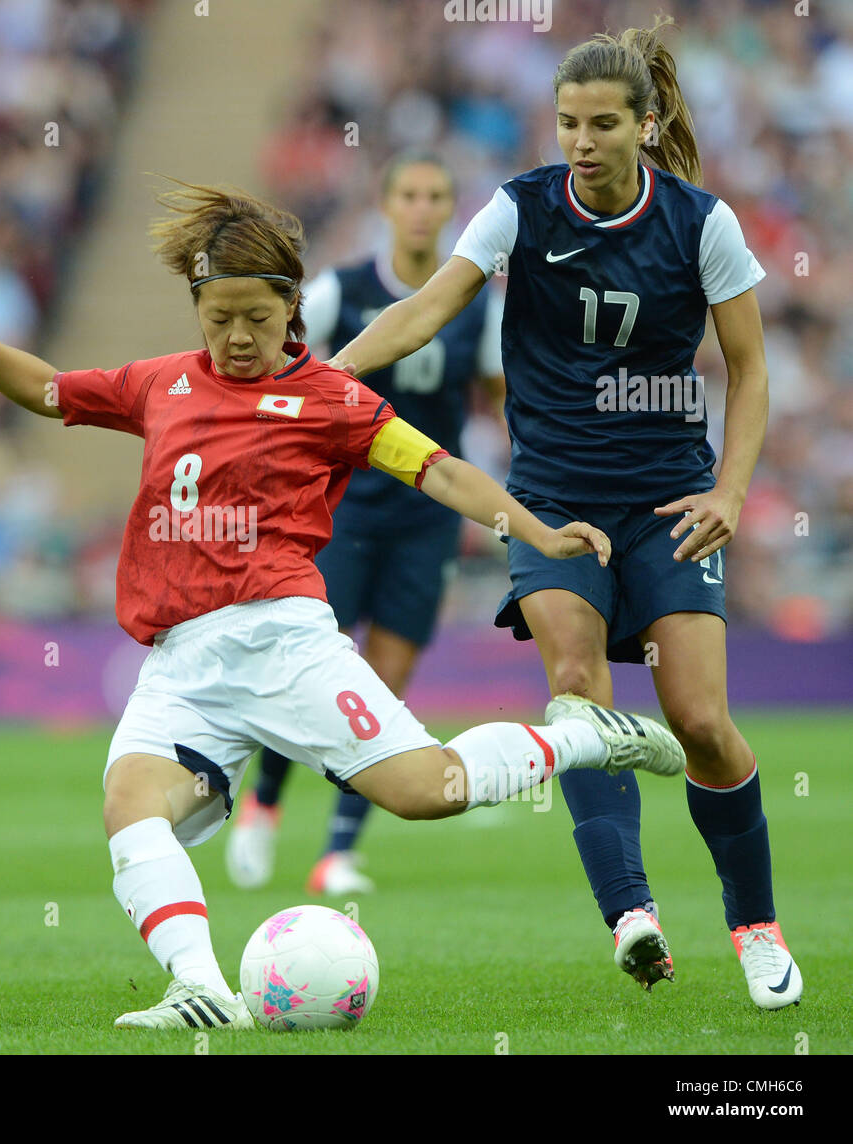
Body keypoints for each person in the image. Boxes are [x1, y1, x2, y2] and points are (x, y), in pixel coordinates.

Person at [0, 178, 685, 1029]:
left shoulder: (330, 399)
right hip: (182, 667)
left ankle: (581, 736)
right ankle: (202, 987)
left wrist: (537, 531)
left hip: (283, 644)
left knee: (429, 790)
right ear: (198, 305)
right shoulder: (160, 385)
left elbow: (441, 470)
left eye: (257, 320)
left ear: (292, 309)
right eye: (219, 317)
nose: (237, 337)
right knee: (129, 804)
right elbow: (50, 393)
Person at [328, 18, 800, 1010]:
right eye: (565, 124)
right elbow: (429, 305)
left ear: (645, 122)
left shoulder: (700, 223)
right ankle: (631, 915)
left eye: (598, 125)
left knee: (702, 721)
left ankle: (755, 925)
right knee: (576, 693)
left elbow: (750, 370)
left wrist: (730, 491)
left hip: (668, 502)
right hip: (550, 502)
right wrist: (329, 374)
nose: (579, 142)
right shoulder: (519, 209)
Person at [225, 152, 505, 897]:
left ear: (451, 208)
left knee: (387, 679)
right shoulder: (339, 292)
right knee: (312, 665)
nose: (422, 206)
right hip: (340, 509)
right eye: (408, 193)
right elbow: (283, 369)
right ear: (386, 204)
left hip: (428, 516)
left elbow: (502, 395)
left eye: (436, 194)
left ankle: (338, 851)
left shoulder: (474, 301)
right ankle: (265, 803)